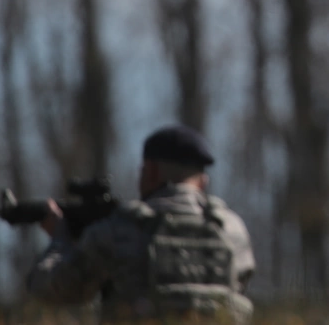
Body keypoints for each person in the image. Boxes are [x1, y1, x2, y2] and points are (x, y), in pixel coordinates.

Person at [27, 124, 256, 323]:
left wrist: (59, 240)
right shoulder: (231, 230)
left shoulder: (119, 229)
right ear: (203, 182)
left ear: (152, 171)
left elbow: (54, 289)